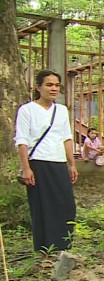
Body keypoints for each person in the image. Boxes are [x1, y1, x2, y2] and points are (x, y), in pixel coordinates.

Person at [15, 70, 78, 254]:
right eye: (49, 85)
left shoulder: (61, 110)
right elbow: (22, 140)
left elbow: (66, 137)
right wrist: (26, 168)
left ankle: (63, 245)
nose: (53, 89)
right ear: (38, 87)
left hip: (58, 162)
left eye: (57, 85)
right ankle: (44, 248)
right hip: (38, 163)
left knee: (66, 205)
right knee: (42, 206)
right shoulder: (27, 110)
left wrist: (72, 163)